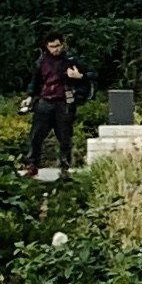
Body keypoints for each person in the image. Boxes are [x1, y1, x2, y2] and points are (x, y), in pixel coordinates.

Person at [24, 30, 89, 179]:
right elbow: (35, 82)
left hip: (64, 103)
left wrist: (80, 77)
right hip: (45, 101)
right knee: (36, 136)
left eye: (58, 46)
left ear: (62, 45)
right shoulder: (41, 62)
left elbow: (90, 76)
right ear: (46, 46)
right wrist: (29, 97)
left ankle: (64, 167)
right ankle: (32, 165)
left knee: (65, 136)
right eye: (52, 46)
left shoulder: (71, 60)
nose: (56, 49)